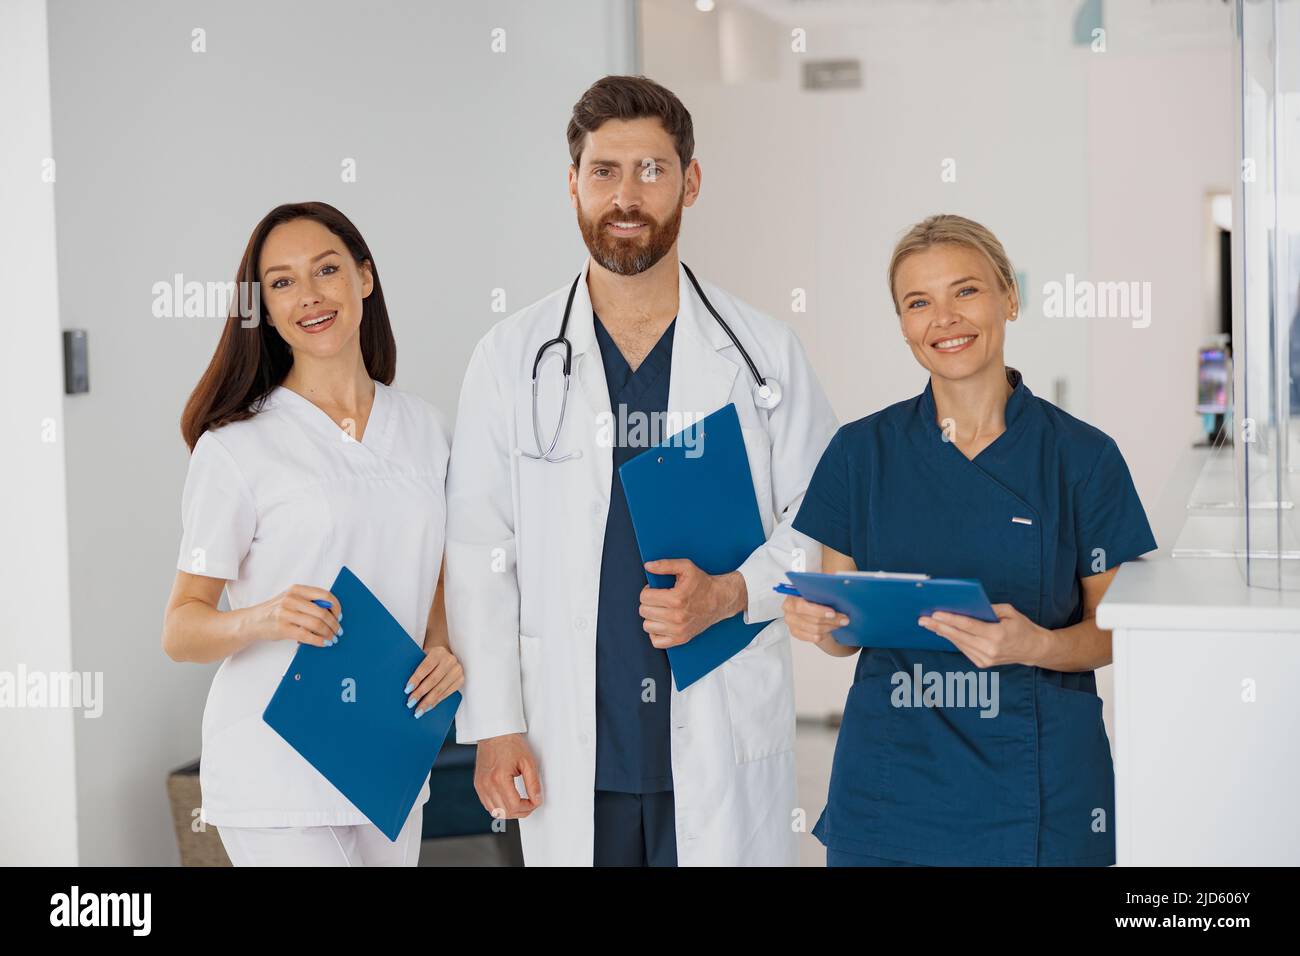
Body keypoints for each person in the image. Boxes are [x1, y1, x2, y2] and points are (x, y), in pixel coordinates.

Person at [445, 75, 838, 866]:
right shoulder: (510, 359)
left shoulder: (762, 355)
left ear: (690, 183)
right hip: (569, 744)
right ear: (573, 185)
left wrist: (733, 593)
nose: (626, 196)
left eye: (652, 171)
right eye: (604, 171)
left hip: (719, 736)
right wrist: (494, 721)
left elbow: (829, 528)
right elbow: (478, 550)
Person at [783, 213, 1157, 867]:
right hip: (891, 783)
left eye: (966, 291)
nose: (945, 319)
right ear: (902, 324)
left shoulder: (1083, 458)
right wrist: (821, 625)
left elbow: (1116, 631)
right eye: (918, 302)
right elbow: (845, 634)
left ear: (1009, 296)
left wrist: (1035, 643)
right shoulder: (859, 454)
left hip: (1037, 788)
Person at [162, 202, 463, 866]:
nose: (309, 295)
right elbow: (181, 629)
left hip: (386, 750)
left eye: (326, 270)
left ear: (364, 278)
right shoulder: (238, 445)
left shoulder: (425, 429)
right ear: (264, 310)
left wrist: (442, 642)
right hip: (274, 760)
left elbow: (438, 564)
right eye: (282, 282)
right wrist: (263, 617)